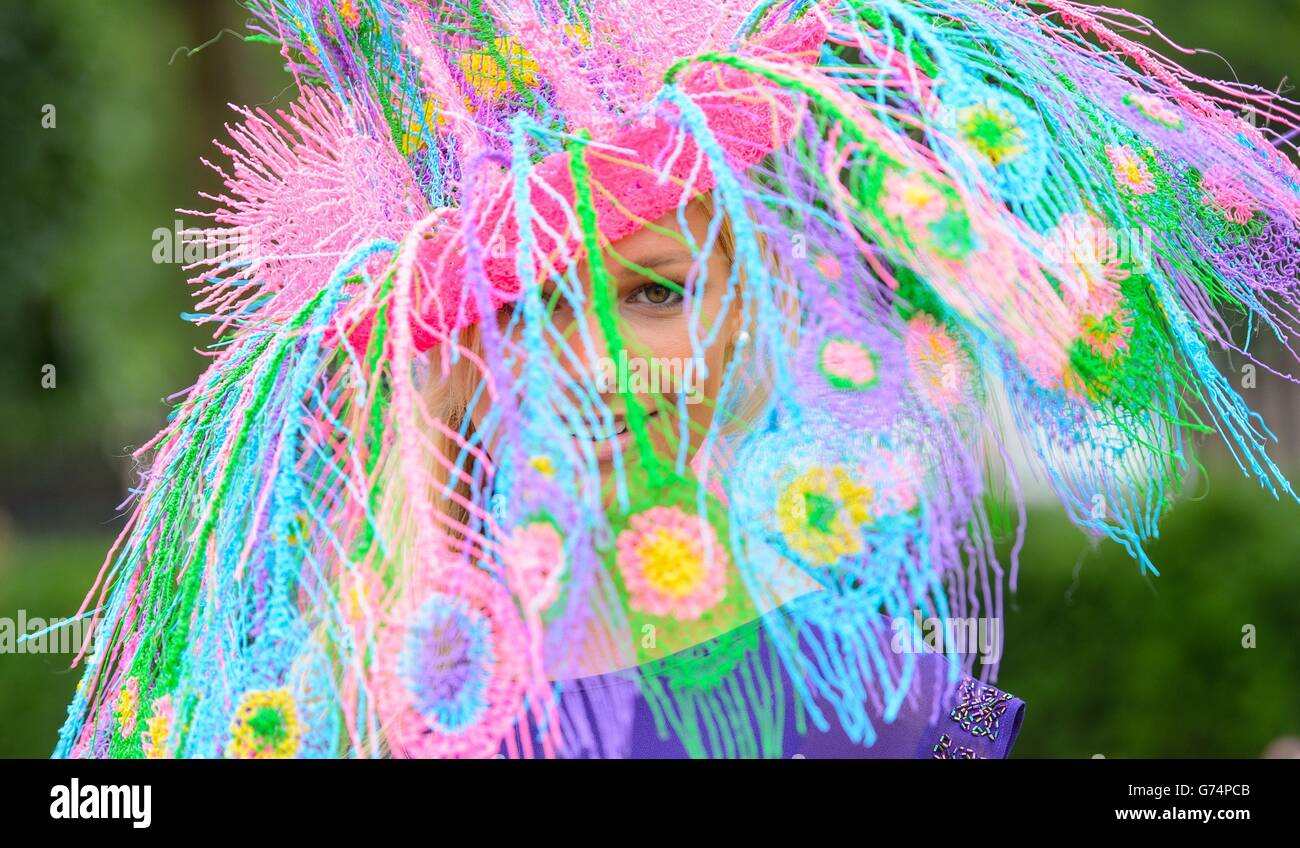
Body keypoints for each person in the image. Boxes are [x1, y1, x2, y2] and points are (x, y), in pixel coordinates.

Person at [54, 0, 1300, 759]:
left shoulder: (880, 687)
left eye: (654, 290)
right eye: (521, 315)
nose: (588, 365)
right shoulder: (351, 684)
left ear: (759, 297)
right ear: (443, 367)